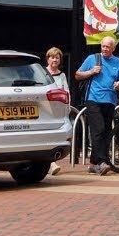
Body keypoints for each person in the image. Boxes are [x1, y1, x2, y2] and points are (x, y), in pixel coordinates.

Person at [75, 35, 119, 175]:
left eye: (107, 47)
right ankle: (103, 162)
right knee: (98, 129)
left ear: (113, 48)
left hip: (110, 100)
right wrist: (91, 71)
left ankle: (92, 164)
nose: (104, 49)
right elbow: (77, 75)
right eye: (103, 46)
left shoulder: (118, 62)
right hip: (93, 99)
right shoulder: (93, 58)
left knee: (105, 132)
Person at [45, 47, 69, 176]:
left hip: (57, 111)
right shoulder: (43, 72)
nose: (55, 60)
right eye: (52, 57)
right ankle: (51, 163)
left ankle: (51, 163)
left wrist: (67, 107)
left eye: (57, 57)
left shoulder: (62, 75)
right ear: (48, 58)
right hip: (45, 111)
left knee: (54, 137)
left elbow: (66, 92)